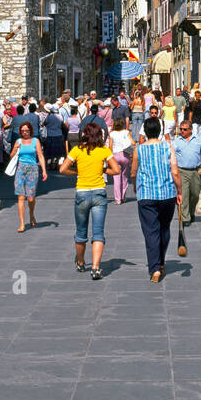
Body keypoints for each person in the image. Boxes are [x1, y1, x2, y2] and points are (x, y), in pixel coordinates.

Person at [59, 120, 119, 279]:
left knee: (81, 232)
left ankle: (80, 262)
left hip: (82, 192)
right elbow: (117, 169)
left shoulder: (77, 150)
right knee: (98, 232)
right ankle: (95, 267)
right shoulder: (104, 150)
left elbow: (62, 169)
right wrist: (103, 169)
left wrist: (76, 172)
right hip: (99, 192)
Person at [129, 116, 182, 282]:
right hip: (167, 194)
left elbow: (133, 172)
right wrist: (179, 190)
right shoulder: (168, 147)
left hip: (146, 195)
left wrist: (135, 185)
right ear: (159, 132)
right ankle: (161, 262)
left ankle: (155, 268)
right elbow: (175, 171)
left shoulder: (139, 149)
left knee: (151, 230)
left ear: (145, 131)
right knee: (164, 228)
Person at [171, 116, 201, 227]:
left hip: (195, 171)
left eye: (184, 129)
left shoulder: (198, 141)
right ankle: (185, 218)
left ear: (190, 130)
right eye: (181, 129)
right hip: (182, 171)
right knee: (184, 194)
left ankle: (191, 212)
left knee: (195, 194)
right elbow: (171, 155)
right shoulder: (177, 142)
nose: (182, 131)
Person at [9, 121, 47, 231]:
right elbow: (11, 156)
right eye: (23, 131)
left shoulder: (36, 141)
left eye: (27, 130)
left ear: (30, 130)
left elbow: (40, 156)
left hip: (33, 169)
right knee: (20, 197)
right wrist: (16, 149)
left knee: (30, 198)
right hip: (20, 169)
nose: (25, 132)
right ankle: (22, 224)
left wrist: (44, 170)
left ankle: (31, 214)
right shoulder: (18, 141)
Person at [109, 116, 134, 205]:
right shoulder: (126, 132)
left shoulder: (112, 134)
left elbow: (110, 147)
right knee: (124, 176)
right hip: (125, 156)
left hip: (115, 156)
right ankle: (123, 196)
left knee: (116, 178)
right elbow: (133, 142)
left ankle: (118, 199)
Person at [41, 103, 68, 169]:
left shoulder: (49, 117)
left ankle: (50, 164)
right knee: (58, 151)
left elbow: (44, 123)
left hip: (50, 135)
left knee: (50, 151)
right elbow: (62, 124)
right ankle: (55, 164)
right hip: (58, 134)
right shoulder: (60, 116)